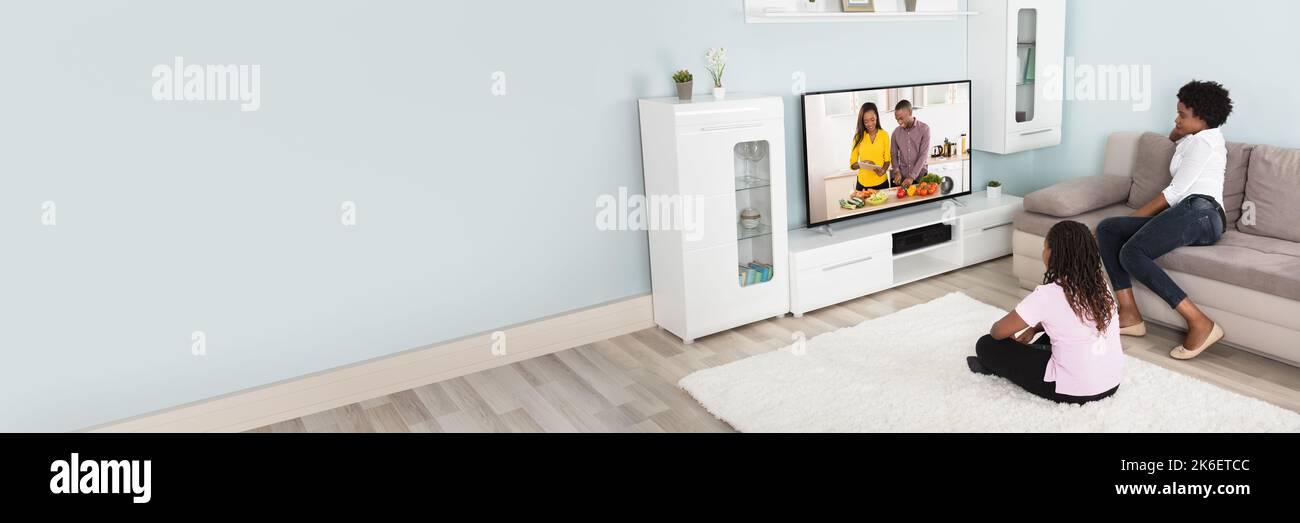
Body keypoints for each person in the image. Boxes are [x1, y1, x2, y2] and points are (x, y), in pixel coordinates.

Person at [1095, 80, 1234, 360]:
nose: (1176, 119)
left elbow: (1174, 193)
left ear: (1203, 119)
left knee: (1132, 251)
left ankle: (1200, 322)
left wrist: (1132, 218)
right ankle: (1130, 314)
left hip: (1203, 213)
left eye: (1182, 114)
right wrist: (1181, 127)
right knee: (1108, 229)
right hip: (1190, 212)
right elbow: (1174, 138)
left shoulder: (1204, 143)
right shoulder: (1194, 137)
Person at [969, 221, 1123, 405]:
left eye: (1045, 247)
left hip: (1074, 391)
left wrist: (1011, 341)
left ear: (1052, 254)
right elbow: (1068, 319)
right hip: (1111, 382)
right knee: (1058, 334)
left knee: (986, 344)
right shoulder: (1100, 284)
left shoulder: (1048, 294)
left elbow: (998, 331)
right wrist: (1034, 329)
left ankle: (998, 367)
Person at [849, 102, 891, 191]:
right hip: (862, 185)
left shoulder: (884, 135)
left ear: (876, 117)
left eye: (872, 119)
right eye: (866, 121)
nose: (870, 124)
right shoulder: (858, 137)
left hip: (881, 184)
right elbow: (852, 165)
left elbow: (887, 160)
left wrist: (883, 170)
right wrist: (863, 164)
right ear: (862, 122)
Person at [889, 100, 930, 188]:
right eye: (897, 119)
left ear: (910, 112)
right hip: (903, 178)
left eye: (901, 118)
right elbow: (893, 154)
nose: (899, 122)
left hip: (920, 177)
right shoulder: (895, 133)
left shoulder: (924, 129)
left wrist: (912, 177)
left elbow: (923, 155)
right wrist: (896, 171)